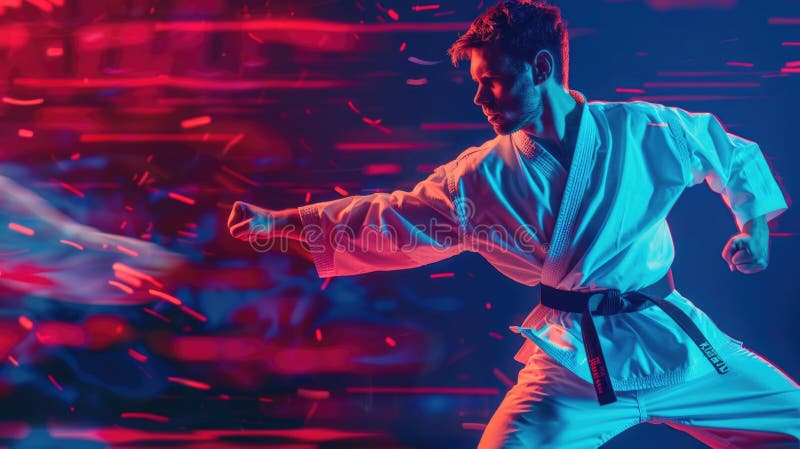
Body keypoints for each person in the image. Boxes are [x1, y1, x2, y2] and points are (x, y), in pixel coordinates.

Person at [228, 0, 800, 447]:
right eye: (476, 83)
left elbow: (727, 152)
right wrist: (283, 224)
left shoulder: (641, 130)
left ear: (541, 67)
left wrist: (755, 227)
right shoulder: (480, 178)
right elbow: (393, 218)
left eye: (491, 80)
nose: (479, 98)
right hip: (574, 365)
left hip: (678, 345)